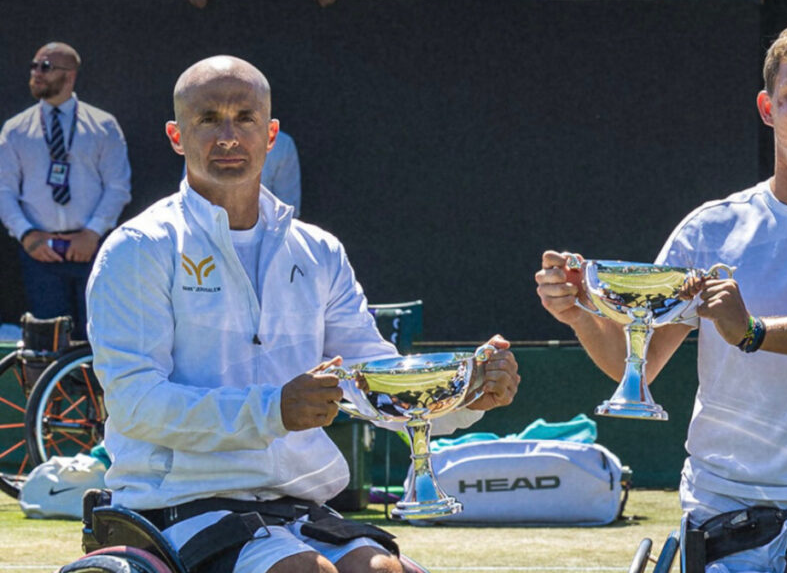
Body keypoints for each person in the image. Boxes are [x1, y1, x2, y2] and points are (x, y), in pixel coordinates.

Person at [87, 55, 520, 573]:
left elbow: (374, 381)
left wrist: (464, 396)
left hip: (301, 510)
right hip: (177, 508)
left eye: (244, 117)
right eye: (207, 119)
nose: (228, 135)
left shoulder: (318, 250)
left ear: (270, 135)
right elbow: (134, 403)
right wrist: (274, 409)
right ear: (176, 136)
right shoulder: (139, 247)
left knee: (385, 571)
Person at [536, 19, 787, 572]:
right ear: (768, 108)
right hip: (720, 511)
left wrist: (750, 331)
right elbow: (638, 363)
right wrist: (581, 313)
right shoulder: (708, 229)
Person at [0, 42, 132, 340]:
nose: (36, 74)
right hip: (41, 254)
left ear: (70, 75)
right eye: (34, 66)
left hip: (93, 250)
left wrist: (92, 233)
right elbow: (3, 190)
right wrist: (28, 236)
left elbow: (118, 186)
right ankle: (54, 390)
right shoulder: (16, 129)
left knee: (98, 339)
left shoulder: (103, 126)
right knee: (48, 344)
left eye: (45, 67)